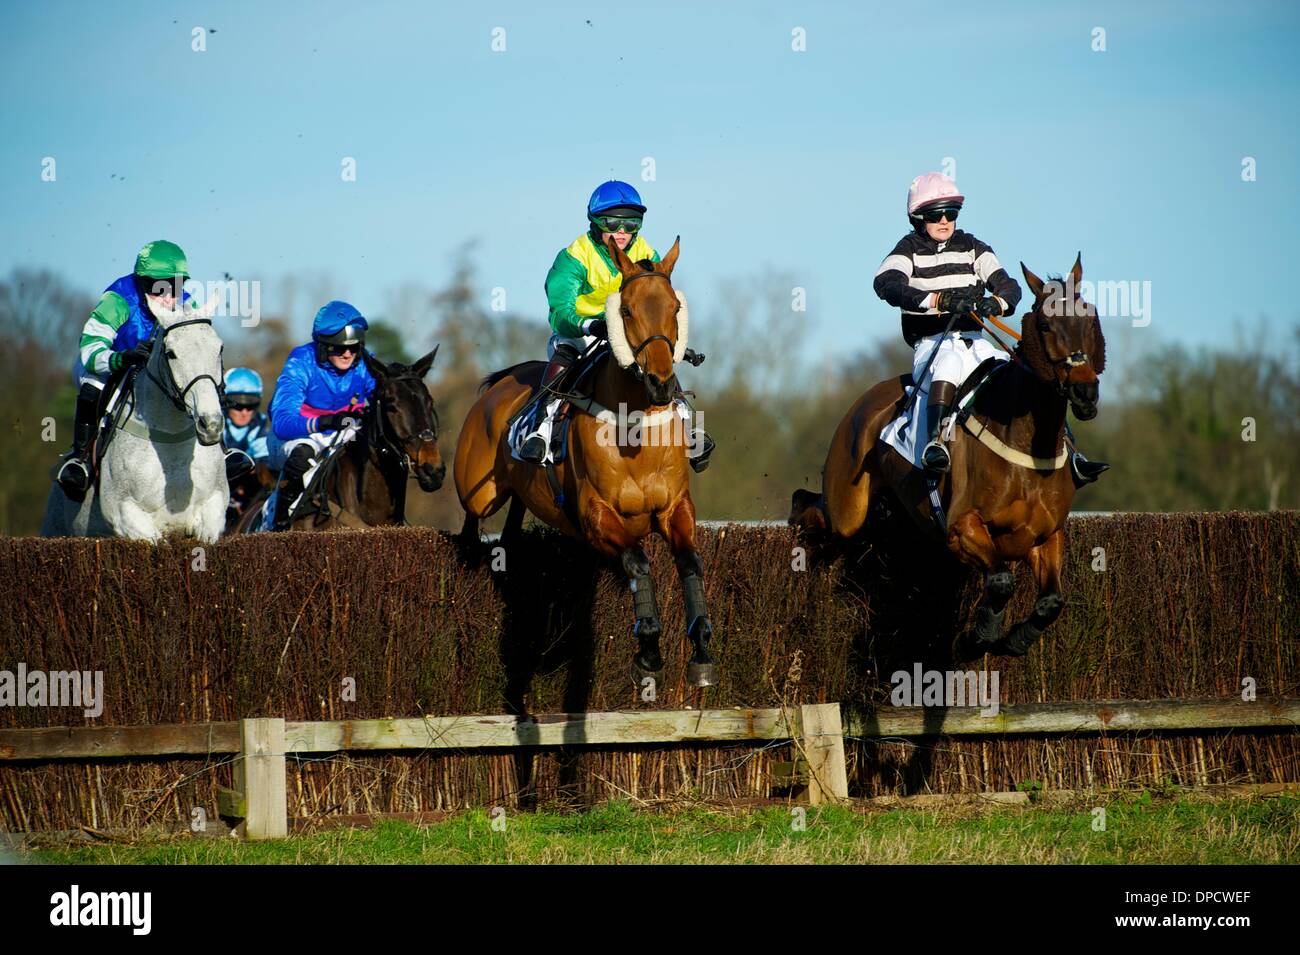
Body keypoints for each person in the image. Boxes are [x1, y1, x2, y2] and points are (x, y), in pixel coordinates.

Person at [873, 172, 1107, 485]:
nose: (944, 220)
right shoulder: (908, 249)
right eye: (935, 215)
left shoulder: (973, 246)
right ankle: (936, 444)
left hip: (975, 341)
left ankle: (1071, 453)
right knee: (948, 364)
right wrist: (936, 299)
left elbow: (1009, 286)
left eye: (951, 214)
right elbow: (886, 284)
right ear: (918, 218)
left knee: (1025, 374)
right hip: (933, 343)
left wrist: (996, 303)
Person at [518, 179, 714, 471]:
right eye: (613, 223)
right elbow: (560, 312)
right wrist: (589, 326)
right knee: (565, 358)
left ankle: (688, 426)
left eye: (631, 224)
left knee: (660, 363)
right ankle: (540, 427)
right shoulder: (574, 257)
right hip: (580, 334)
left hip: (629, 334)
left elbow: (657, 302)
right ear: (596, 221)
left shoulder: (648, 254)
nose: (622, 232)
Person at [55, 240, 191, 496]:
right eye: (159, 287)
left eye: (176, 286)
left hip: (150, 370)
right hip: (105, 364)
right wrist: (123, 358)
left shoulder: (185, 304)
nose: (169, 296)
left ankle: (221, 451)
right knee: (93, 386)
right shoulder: (117, 300)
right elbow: (90, 353)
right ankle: (80, 459)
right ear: (141, 282)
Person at [265, 301, 376, 530]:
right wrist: (324, 422)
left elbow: (383, 397)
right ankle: (278, 525)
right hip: (296, 437)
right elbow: (282, 424)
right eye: (339, 348)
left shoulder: (364, 362)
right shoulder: (301, 362)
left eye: (354, 348)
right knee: (301, 455)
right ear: (324, 346)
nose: (348, 354)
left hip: (342, 434)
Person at [221, 367, 271, 519]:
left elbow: (262, 464)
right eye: (237, 405)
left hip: (247, 495)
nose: (244, 412)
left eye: (250, 406)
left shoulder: (261, 426)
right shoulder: (214, 426)